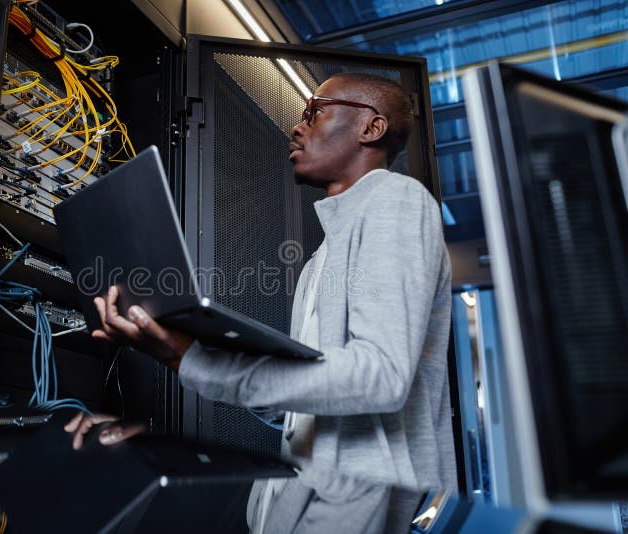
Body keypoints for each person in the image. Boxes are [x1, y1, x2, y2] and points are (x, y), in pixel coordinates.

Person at [66, 72, 456, 533]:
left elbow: (381, 377)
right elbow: (297, 412)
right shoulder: (320, 260)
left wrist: (197, 362)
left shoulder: (398, 200)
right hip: (291, 504)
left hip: (351, 511)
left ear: (371, 128)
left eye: (315, 111)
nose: (297, 126)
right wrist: (183, 353)